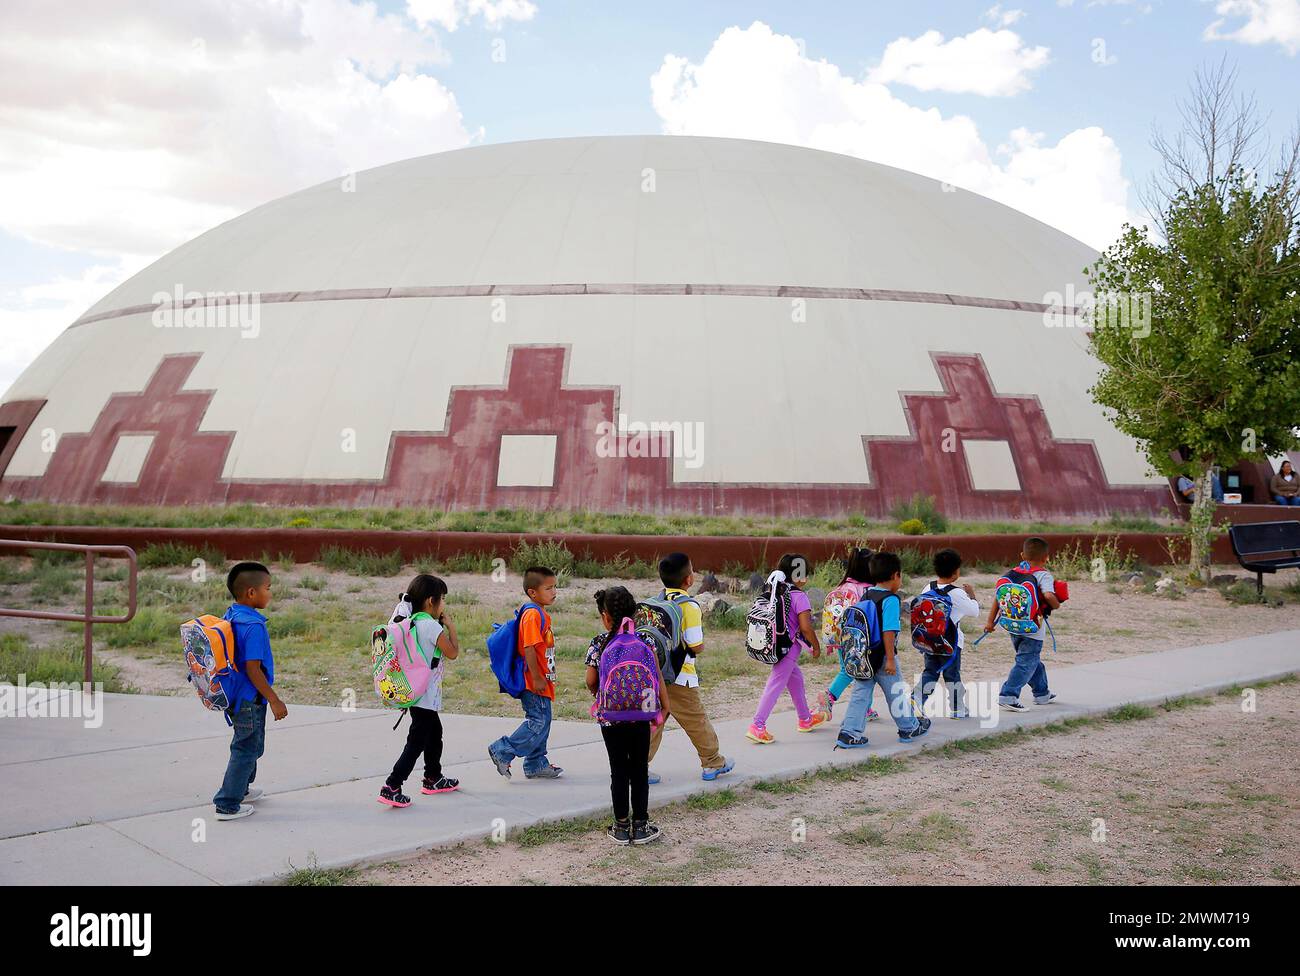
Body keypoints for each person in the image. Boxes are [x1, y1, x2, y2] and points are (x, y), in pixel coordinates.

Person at [646, 552, 735, 783]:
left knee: (653, 722)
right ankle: (713, 762)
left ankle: (638, 766)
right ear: (689, 579)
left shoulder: (657, 601)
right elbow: (695, 645)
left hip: (656, 675)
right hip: (680, 677)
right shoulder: (690, 606)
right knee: (697, 721)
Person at [585, 586, 664, 845]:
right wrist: (664, 705)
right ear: (634, 613)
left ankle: (620, 827)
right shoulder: (647, 640)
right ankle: (641, 826)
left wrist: (603, 694)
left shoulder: (598, 643)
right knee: (640, 769)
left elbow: (590, 681)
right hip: (641, 715)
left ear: (605, 616)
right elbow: (656, 676)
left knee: (618, 770)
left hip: (611, 718)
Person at [378, 574, 461, 808]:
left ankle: (433, 777)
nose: (443, 604)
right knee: (416, 742)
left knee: (434, 734)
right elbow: (453, 652)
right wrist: (451, 626)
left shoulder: (408, 621)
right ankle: (392, 785)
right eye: (442, 599)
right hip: (425, 696)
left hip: (416, 693)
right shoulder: (430, 626)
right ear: (430, 601)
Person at [213, 561, 288, 821]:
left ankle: (241, 789)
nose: (270, 593)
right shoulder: (254, 627)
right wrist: (275, 699)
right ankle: (227, 804)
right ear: (251, 593)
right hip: (250, 698)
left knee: (252, 745)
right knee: (245, 748)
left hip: (236, 695)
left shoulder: (232, 615)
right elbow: (253, 669)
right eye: (268, 588)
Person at [835, 552, 930, 749]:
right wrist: (889, 659)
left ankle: (849, 733)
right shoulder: (891, 600)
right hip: (882, 656)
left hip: (862, 655)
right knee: (895, 692)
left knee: (860, 693)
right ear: (896, 575)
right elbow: (888, 631)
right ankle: (909, 727)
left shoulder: (867, 593)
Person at [488, 566, 564, 780]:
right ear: (533, 592)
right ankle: (502, 750)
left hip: (542, 680)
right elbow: (529, 647)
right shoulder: (532, 615)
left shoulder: (540, 613)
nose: (554, 592)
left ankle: (536, 763)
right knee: (537, 722)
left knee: (544, 721)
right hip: (533, 681)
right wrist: (538, 677)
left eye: (555, 587)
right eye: (548, 588)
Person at [746, 553, 826, 743]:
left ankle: (805, 719)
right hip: (787, 648)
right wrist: (816, 646)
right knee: (775, 685)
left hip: (775, 644)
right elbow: (806, 628)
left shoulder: (777, 592)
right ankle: (757, 725)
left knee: (796, 680)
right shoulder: (800, 596)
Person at [985, 537, 1061, 712]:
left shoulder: (1010, 574)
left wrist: (990, 622)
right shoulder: (1043, 575)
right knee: (1026, 662)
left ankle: (1042, 694)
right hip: (1033, 628)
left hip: (1012, 625)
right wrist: (1056, 604)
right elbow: (1049, 596)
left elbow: (998, 598)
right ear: (1046, 558)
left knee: (1032, 660)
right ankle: (1008, 695)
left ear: (1022, 555)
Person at [814, 547, 879, 724]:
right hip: (860, 642)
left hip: (841, 639)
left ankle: (864, 707)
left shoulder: (843, 587)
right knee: (866, 674)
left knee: (847, 671)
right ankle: (834, 698)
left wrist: (831, 640)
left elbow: (834, 616)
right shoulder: (867, 591)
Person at [914, 548, 980, 719]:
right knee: (952, 675)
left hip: (929, 639)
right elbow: (974, 612)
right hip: (951, 643)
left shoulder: (928, 586)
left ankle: (917, 699)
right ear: (955, 572)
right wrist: (972, 596)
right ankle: (957, 708)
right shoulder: (956, 593)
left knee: (930, 671)